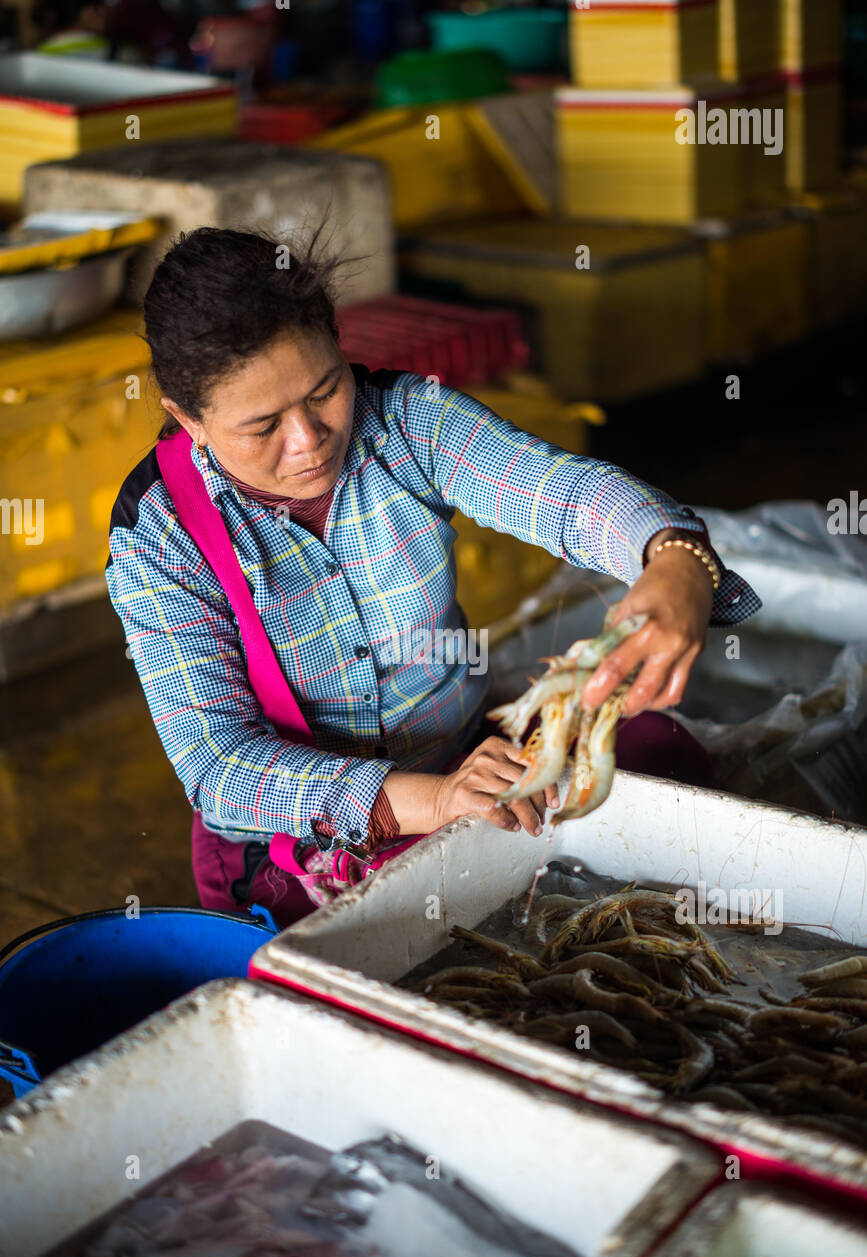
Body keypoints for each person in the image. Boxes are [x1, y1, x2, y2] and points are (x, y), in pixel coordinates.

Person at [106, 227, 760, 927]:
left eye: (324, 390)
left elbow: (566, 495)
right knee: (442, 909)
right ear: (189, 419)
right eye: (262, 426)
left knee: (659, 757)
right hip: (305, 839)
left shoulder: (406, 422)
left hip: (466, 752)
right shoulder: (159, 537)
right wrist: (435, 800)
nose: (307, 440)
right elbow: (219, 767)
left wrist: (671, 559)